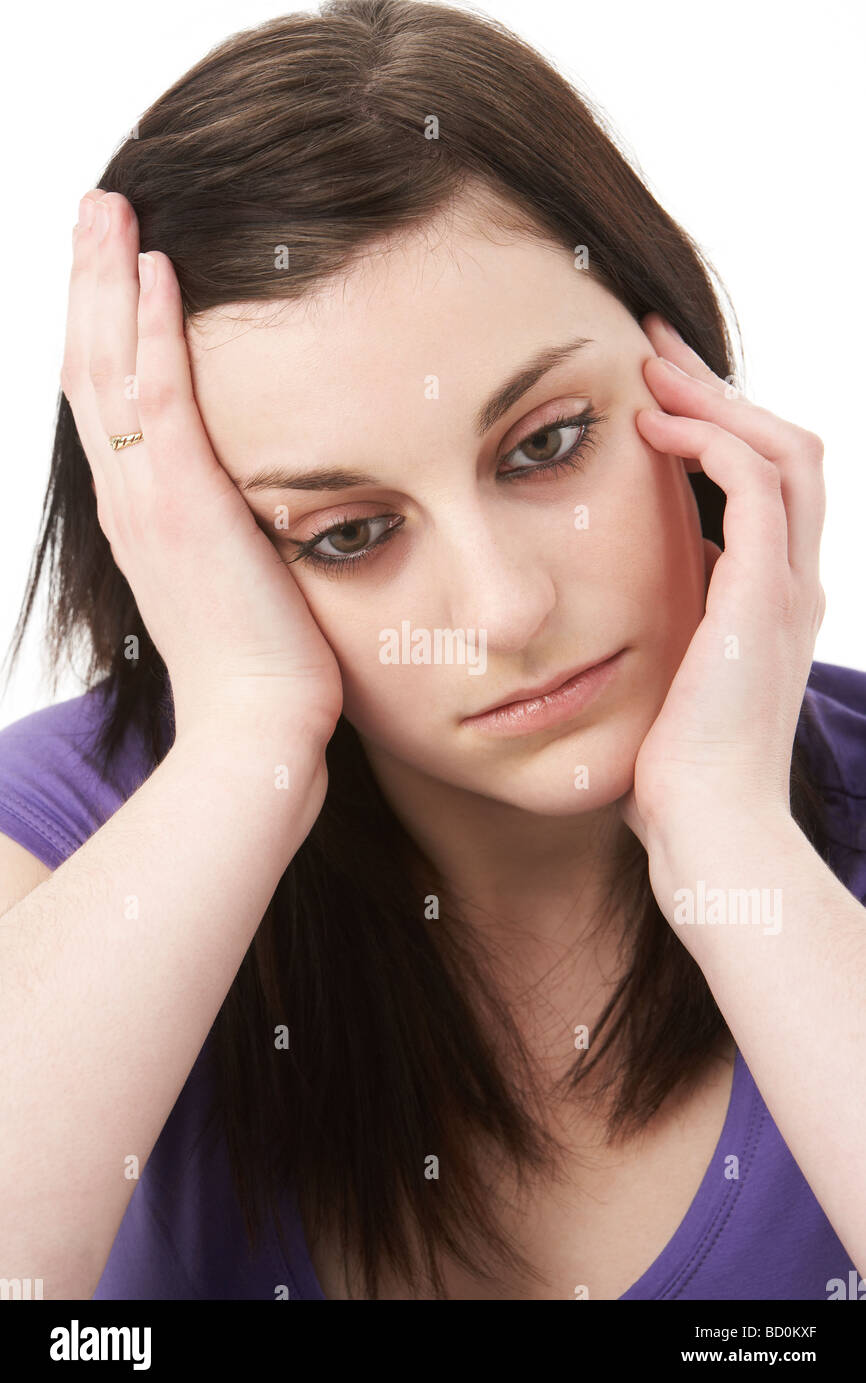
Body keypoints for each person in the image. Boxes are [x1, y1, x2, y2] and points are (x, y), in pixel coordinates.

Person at [0, 0, 864, 1302]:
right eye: (347, 534)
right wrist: (243, 737)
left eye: (545, 444)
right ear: (198, 554)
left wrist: (727, 836)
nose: (504, 607)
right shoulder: (72, 832)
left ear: (685, 379)